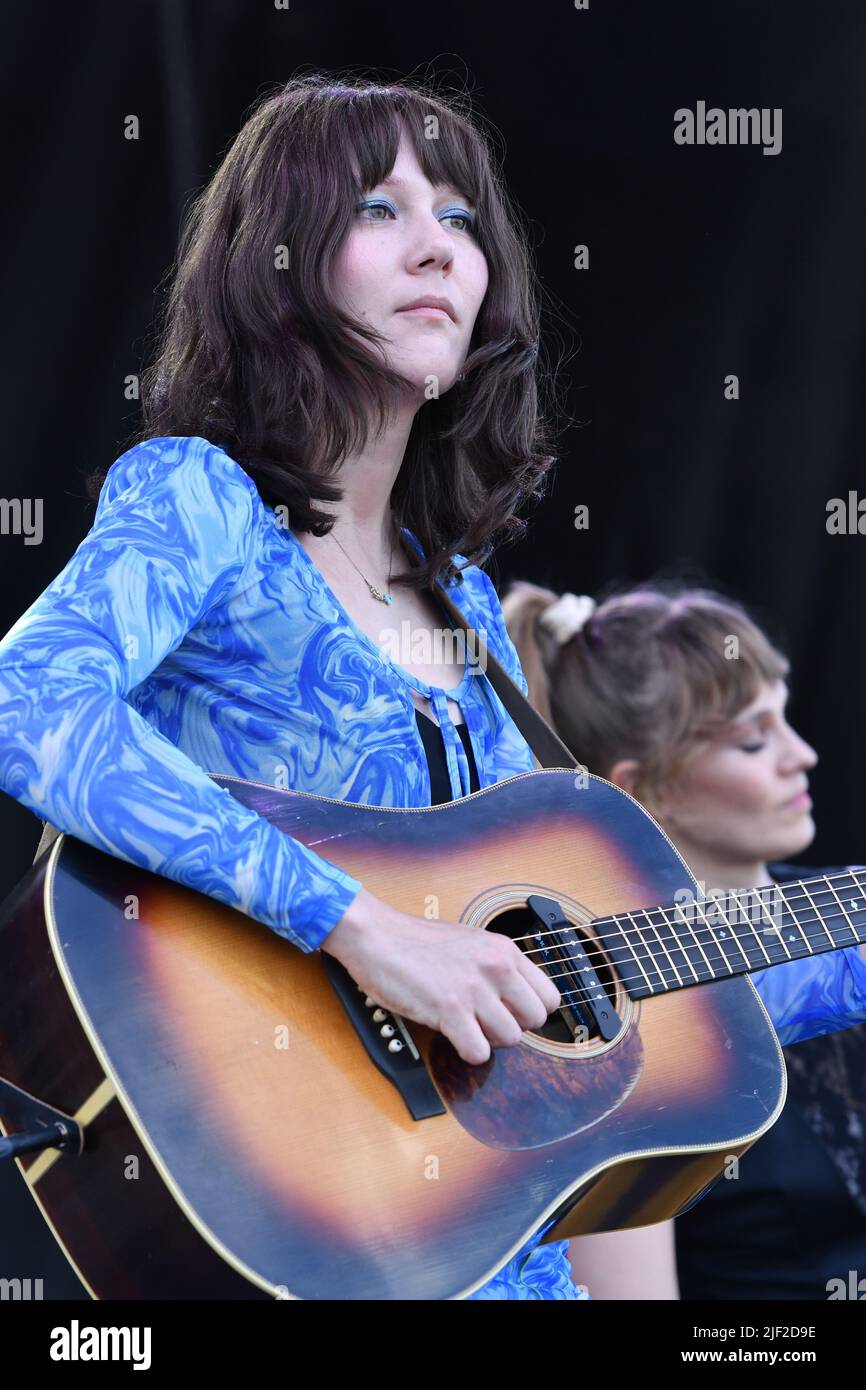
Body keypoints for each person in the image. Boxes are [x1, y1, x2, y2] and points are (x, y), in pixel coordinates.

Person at [0, 74, 589, 1300]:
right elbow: (28, 705)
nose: (438, 244)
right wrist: (365, 932)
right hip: (282, 1219)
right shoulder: (200, 500)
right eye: (379, 208)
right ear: (277, 263)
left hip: (485, 1246)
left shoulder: (465, 604)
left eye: (463, 220)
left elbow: (570, 958)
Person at [501, 578, 866, 1299]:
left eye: (785, 718)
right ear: (645, 791)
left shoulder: (845, 912)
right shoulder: (613, 1037)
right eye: (755, 740)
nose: (803, 755)